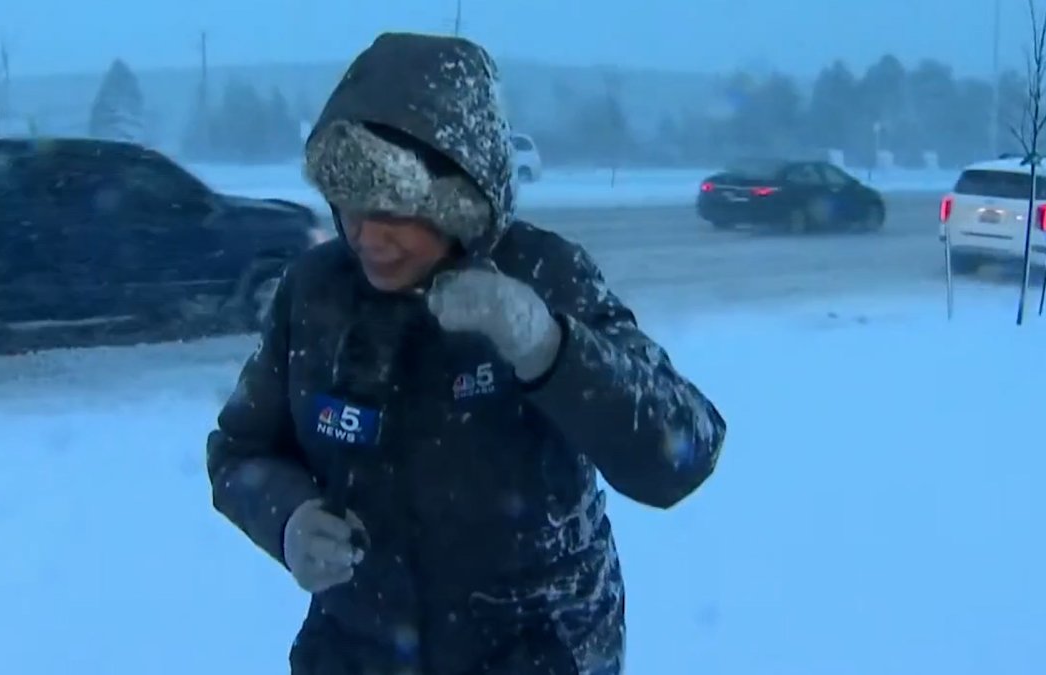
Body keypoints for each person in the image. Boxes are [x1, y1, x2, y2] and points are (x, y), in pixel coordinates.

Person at [206, 31, 727, 675]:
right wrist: (287, 519)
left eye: (394, 210)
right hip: (358, 655)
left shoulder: (546, 272)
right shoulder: (316, 293)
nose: (366, 236)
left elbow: (682, 450)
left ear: (463, 199)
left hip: (534, 654)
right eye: (347, 204)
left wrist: (548, 347)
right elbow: (240, 451)